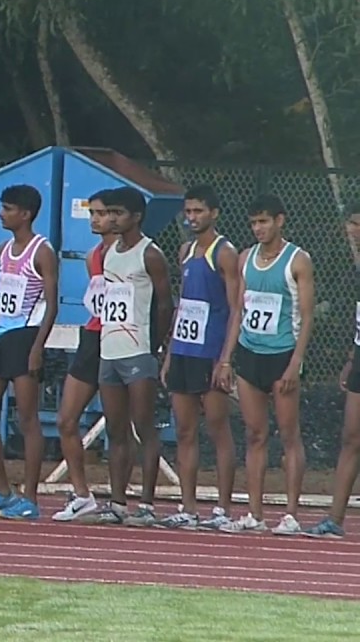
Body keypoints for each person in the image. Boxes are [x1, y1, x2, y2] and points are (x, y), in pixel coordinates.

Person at [221, 194, 314, 534]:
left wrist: (295, 363)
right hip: (250, 353)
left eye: (264, 221)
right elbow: (239, 312)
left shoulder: (297, 261)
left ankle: (290, 514)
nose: (258, 228)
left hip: (282, 354)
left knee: (289, 434)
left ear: (279, 220)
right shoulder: (245, 258)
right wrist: (226, 359)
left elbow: (306, 316)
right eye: (253, 223)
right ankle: (255, 513)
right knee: (255, 433)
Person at [0, 185, 58, 521]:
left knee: (27, 418)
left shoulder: (41, 251)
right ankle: (1, 489)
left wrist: (38, 347)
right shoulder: (4, 249)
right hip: (2, 336)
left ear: (26, 214)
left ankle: (30, 496)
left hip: (26, 336)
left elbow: (52, 303)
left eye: (7, 209)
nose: (1, 214)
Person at [84, 186, 172, 526]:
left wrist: (154, 345)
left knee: (144, 427)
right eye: (109, 213)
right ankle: (117, 502)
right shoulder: (109, 254)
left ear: (136, 216)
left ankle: (147, 505)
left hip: (138, 350)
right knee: (116, 430)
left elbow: (165, 302)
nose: (111, 218)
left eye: (118, 213)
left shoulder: (150, 254)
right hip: (110, 350)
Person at [158, 185, 239, 530]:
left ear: (214, 213)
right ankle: (188, 507)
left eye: (198, 211)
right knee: (185, 430)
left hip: (211, 352)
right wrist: (169, 353)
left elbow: (237, 308)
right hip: (184, 351)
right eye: (188, 211)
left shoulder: (224, 252)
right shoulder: (185, 251)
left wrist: (226, 359)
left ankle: (222, 509)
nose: (192, 217)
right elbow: (183, 306)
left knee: (218, 428)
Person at [52, 189, 115, 521]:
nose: (96, 219)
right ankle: (81, 495)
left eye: (102, 213)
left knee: (123, 426)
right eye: (92, 213)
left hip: (122, 342)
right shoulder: (93, 255)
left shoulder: (138, 254)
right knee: (66, 419)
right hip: (92, 337)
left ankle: (128, 501)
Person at [305, 202, 360, 539]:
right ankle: (334, 519)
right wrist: (353, 357)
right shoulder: (354, 267)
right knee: (351, 437)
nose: (352, 230)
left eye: (357, 223)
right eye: (350, 223)